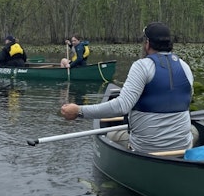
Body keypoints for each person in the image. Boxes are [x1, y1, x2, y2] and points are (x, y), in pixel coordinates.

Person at [61, 22, 194, 153]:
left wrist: (79, 111)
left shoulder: (142, 66)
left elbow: (122, 106)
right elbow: (185, 101)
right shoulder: (185, 66)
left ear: (147, 43)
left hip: (146, 148)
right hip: (182, 147)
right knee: (194, 131)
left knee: (112, 135)